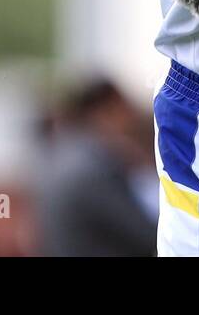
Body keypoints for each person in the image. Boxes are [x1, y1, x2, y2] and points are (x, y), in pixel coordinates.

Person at [34, 78, 158, 257]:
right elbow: (148, 233)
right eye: (125, 111)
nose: (131, 123)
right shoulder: (94, 168)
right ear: (107, 110)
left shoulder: (60, 154)